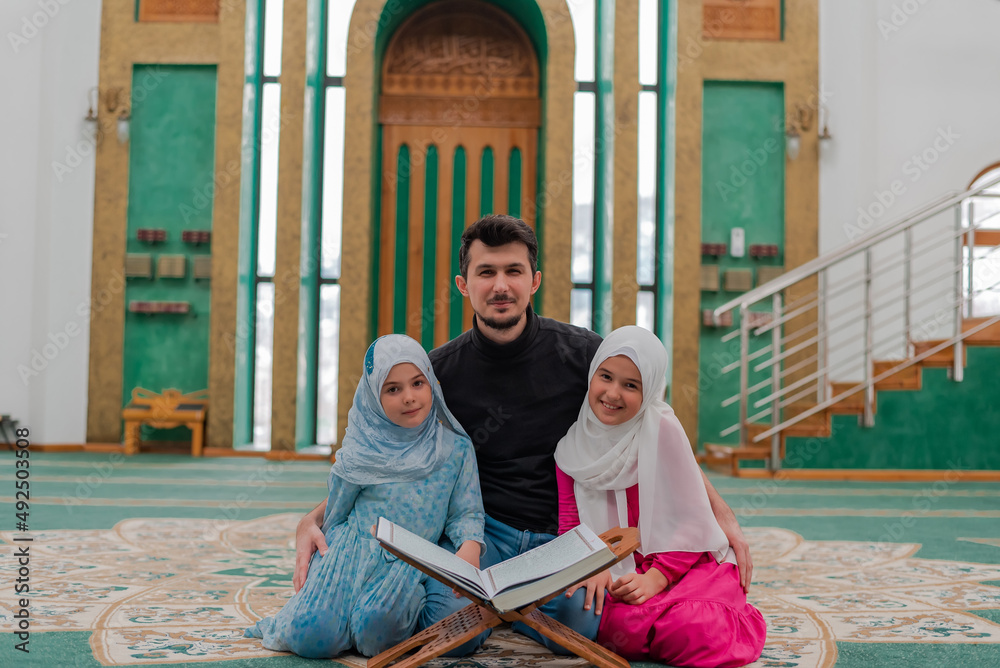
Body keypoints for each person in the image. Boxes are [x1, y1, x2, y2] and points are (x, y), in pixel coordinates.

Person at [294, 215, 754, 655]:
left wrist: (721, 513)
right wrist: (317, 514)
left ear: (534, 280)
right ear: (464, 285)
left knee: (580, 628)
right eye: (486, 272)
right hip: (483, 532)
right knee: (454, 634)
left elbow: (656, 424)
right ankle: (504, 602)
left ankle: (519, 604)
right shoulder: (437, 374)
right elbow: (390, 454)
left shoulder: (584, 355)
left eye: (514, 271)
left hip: (565, 534)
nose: (500, 285)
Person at [245, 334, 484, 659]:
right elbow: (336, 514)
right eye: (393, 389)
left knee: (376, 634)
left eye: (417, 383)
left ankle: (371, 618)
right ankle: (332, 616)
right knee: (310, 637)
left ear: (432, 383)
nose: (409, 398)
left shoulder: (455, 448)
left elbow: (466, 512)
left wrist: (469, 546)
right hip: (350, 550)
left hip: (407, 559)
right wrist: (323, 565)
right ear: (373, 396)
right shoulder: (362, 448)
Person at [554, 326, 766, 667]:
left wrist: (657, 577)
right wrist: (592, 565)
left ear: (650, 389)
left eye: (631, 385)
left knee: (699, 629)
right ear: (592, 375)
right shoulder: (570, 448)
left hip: (685, 560)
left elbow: (690, 517)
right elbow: (570, 521)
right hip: (619, 565)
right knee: (607, 623)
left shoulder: (662, 429)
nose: (612, 393)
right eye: (605, 377)